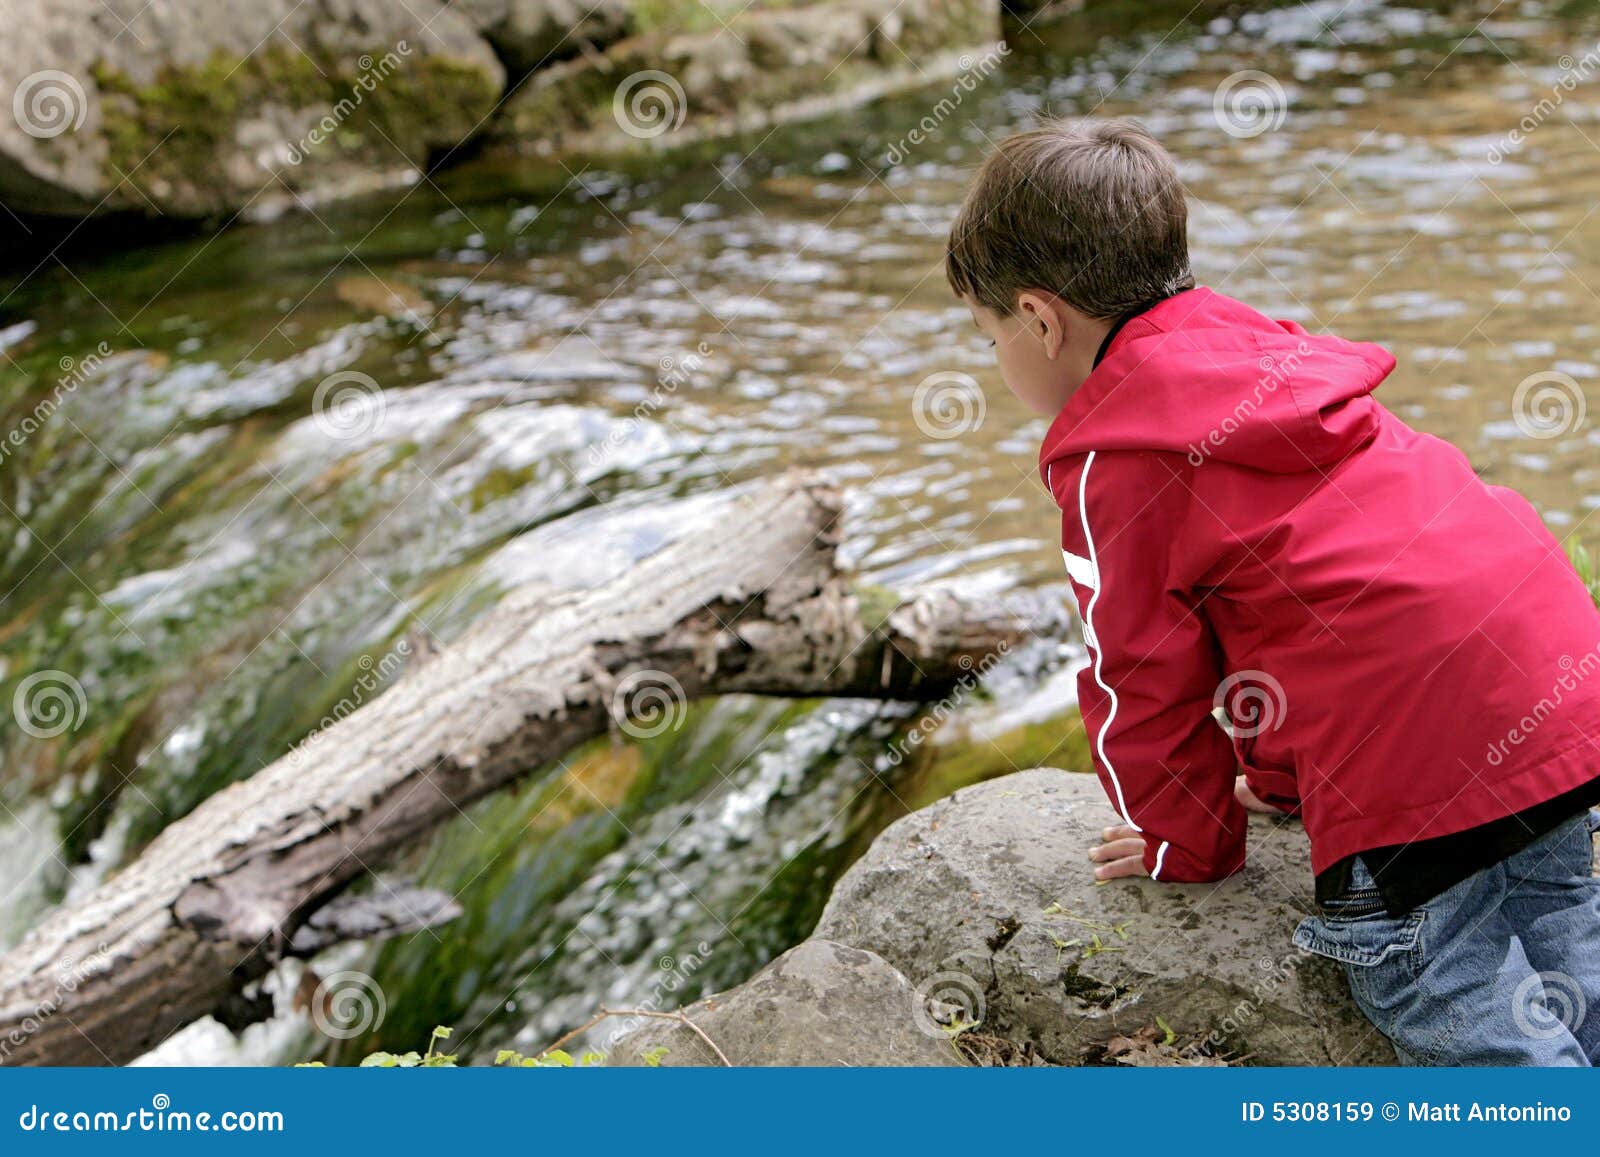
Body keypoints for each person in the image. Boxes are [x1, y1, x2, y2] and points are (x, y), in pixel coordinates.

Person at [945, 116, 1600, 1065]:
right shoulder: (1262, 351)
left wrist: (1184, 839)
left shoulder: (1110, 458)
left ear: (1040, 319)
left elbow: (1140, 674)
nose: (997, 358)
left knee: (1447, 990)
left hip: (1418, 759)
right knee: (1569, 950)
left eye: (988, 332)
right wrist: (1293, 776)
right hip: (1554, 681)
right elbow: (1321, 588)